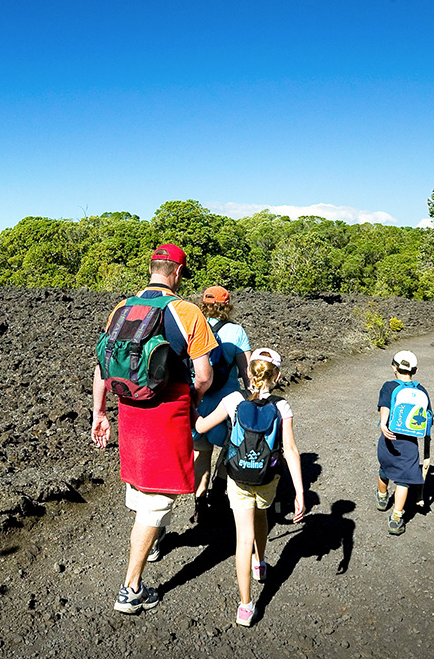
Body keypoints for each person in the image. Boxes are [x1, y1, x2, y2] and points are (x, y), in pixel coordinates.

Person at [91, 243, 218, 615]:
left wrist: (99, 412)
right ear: (177, 273)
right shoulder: (187, 311)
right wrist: (192, 399)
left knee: (140, 486)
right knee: (156, 497)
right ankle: (131, 589)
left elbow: (102, 365)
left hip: (128, 410)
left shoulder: (121, 309)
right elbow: (205, 376)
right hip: (167, 413)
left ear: (152, 268)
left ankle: (154, 541)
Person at [194, 347, 306, 626]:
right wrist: (300, 493)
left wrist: (187, 403)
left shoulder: (233, 399)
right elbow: (291, 450)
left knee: (242, 538)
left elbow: (203, 425)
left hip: (237, 477)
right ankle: (261, 562)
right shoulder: (282, 407)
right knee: (262, 515)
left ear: (249, 371)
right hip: (268, 478)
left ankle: (245, 606)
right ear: (277, 376)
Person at [190, 285, 251, 521]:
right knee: (230, 447)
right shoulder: (236, 332)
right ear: (227, 305)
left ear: (203, 303)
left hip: (198, 401)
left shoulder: (193, 328)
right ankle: (220, 485)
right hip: (226, 404)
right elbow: (247, 373)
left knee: (200, 454)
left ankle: (200, 500)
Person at [376, 349, 434, 536]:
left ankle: (383, 496)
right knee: (404, 480)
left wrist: (383, 424)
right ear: (415, 371)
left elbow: (385, 405)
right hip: (410, 442)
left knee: (385, 468)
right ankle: (396, 517)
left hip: (389, 437)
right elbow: (429, 416)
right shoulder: (421, 389)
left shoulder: (389, 386)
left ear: (394, 367)